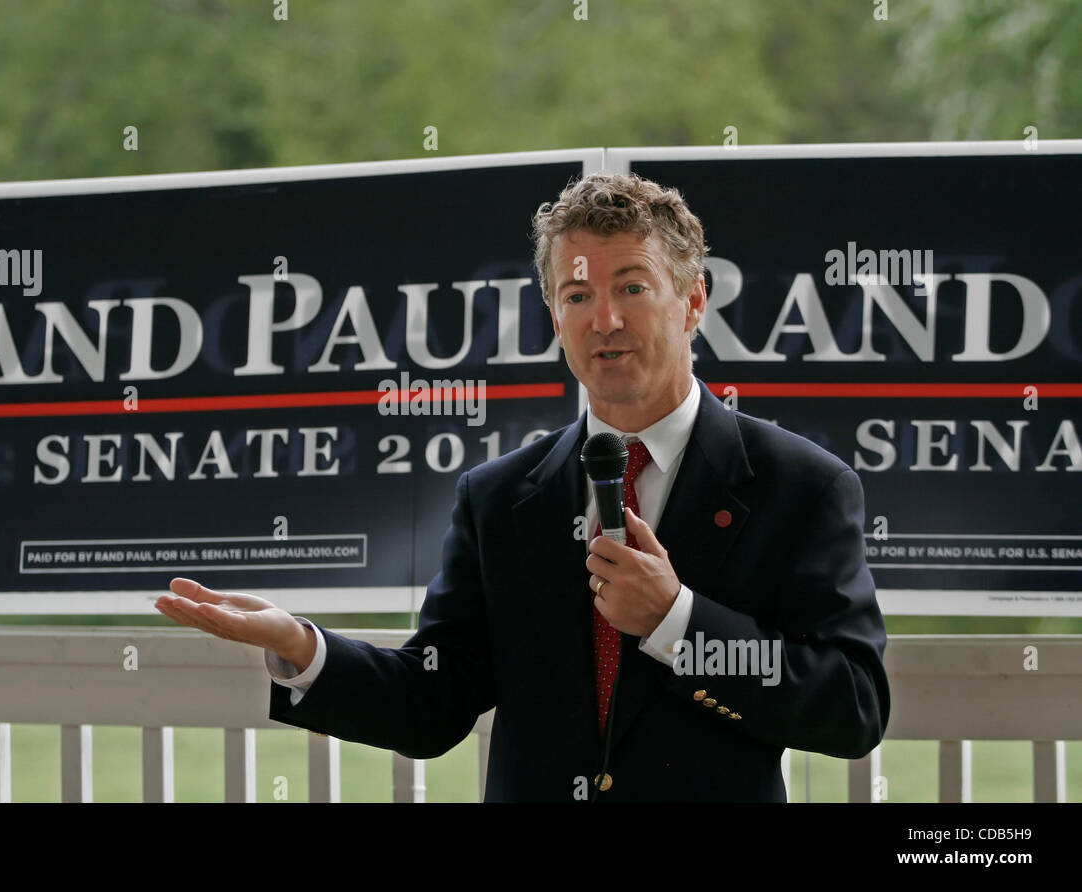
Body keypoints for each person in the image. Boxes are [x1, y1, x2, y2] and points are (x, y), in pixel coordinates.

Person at [155, 172, 890, 802]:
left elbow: (853, 707)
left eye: (632, 287)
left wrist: (678, 623)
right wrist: (303, 647)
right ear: (553, 317)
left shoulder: (802, 485)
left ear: (693, 301)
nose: (604, 319)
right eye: (576, 296)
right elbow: (431, 702)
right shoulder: (503, 498)